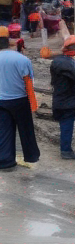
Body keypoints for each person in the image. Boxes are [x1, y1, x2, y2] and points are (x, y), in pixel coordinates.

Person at [0, 27, 39, 170]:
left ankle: (5, 161)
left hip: (1, 101)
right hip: (20, 100)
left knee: (4, 130)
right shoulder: (22, 59)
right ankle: (31, 157)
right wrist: (33, 105)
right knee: (26, 130)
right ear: (9, 41)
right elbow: (29, 84)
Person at [49, 36, 75, 160]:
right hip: (68, 101)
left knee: (64, 125)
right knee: (67, 126)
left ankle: (66, 148)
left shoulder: (57, 61)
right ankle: (66, 151)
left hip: (58, 99)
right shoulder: (70, 64)